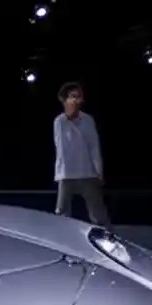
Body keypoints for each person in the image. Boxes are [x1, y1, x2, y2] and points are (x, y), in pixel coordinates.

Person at [53, 81, 111, 225]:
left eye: (80, 97)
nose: (78, 100)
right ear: (65, 100)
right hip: (66, 175)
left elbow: (94, 147)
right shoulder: (59, 121)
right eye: (74, 96)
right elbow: (61, 147)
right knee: (61, 216)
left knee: (99, 215)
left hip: (88, 174)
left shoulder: (88, 120)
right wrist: (69, 119)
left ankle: (109, 240)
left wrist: (99, 172)